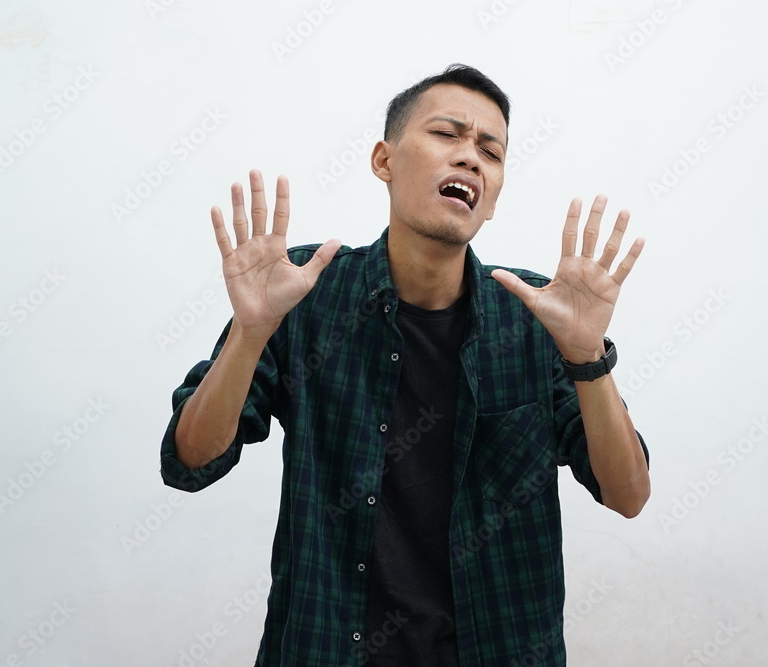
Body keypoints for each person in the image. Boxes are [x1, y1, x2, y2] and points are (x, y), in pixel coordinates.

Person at [160, 63, 650, 667]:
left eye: (490, 152)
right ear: (383, 160)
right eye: (448, 134)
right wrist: (251, 334)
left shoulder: (537, 318)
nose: (471, 158)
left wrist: (586, 359)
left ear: (492, 198)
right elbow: (191, 459)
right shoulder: (304, 293)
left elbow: (627, 494)